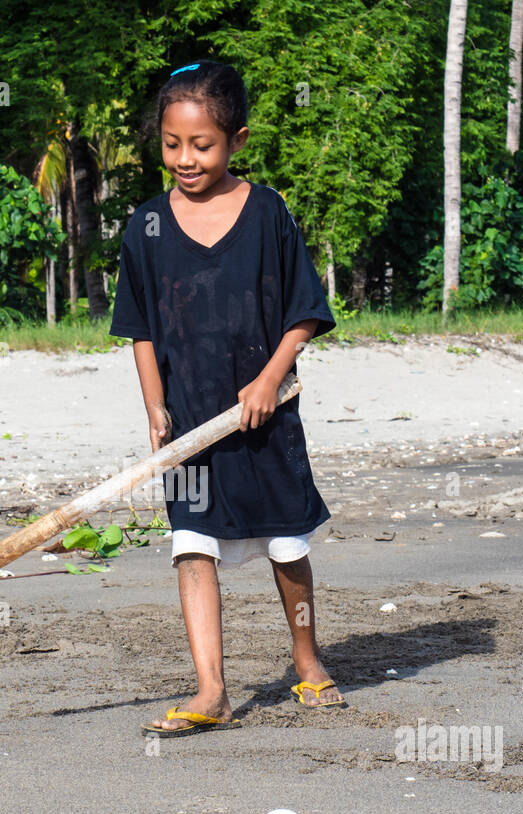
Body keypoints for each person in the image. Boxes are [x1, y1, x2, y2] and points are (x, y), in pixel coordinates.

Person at [109, 59, 344, 737]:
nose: (185, 159)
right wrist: (155, 405)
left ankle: (307, 659)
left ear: (237, 140)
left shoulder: (268, 212)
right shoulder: (146, 227)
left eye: (202, 145)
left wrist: (271, 377)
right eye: (171, 144)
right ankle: (211, 688)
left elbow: (305, 310)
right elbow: (142, 329)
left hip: (265, 419)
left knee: (287, 545)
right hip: (189, 419)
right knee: (191, 542)